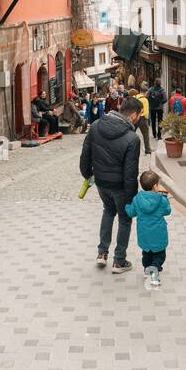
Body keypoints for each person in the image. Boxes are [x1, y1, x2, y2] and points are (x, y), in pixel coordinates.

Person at [79, 97, 143, 274]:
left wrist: (88, 175)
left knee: (108, 211)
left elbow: (85, 154)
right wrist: (131, 199)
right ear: (133, 115)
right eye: (139, 116)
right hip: (120, 186)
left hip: (101, 182)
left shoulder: (97, 125)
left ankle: (102, 253)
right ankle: (119, 261)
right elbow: (130, 173)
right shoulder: (132, 139)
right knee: (124, 219)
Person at [125, 170, 172, 289]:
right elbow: (167, 211)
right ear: (155, 186)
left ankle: (147, 269)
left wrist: (126, 206)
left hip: (144, 234)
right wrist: (166, 198)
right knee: (159, 256)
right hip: (158, 235)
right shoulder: (161, 199)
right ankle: (154, 275)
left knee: (146, 253)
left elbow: (131, 213)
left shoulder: (137, 199)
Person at [133, 84, 153, 154]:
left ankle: (131, 148)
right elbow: (146, 112)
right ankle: (147, 150)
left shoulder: (134, 97)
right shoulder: (145, 100)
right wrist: (147, 119)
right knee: (145, 135)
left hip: (134, 118)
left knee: (132, 133)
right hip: (142, 118)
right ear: (145, 92)